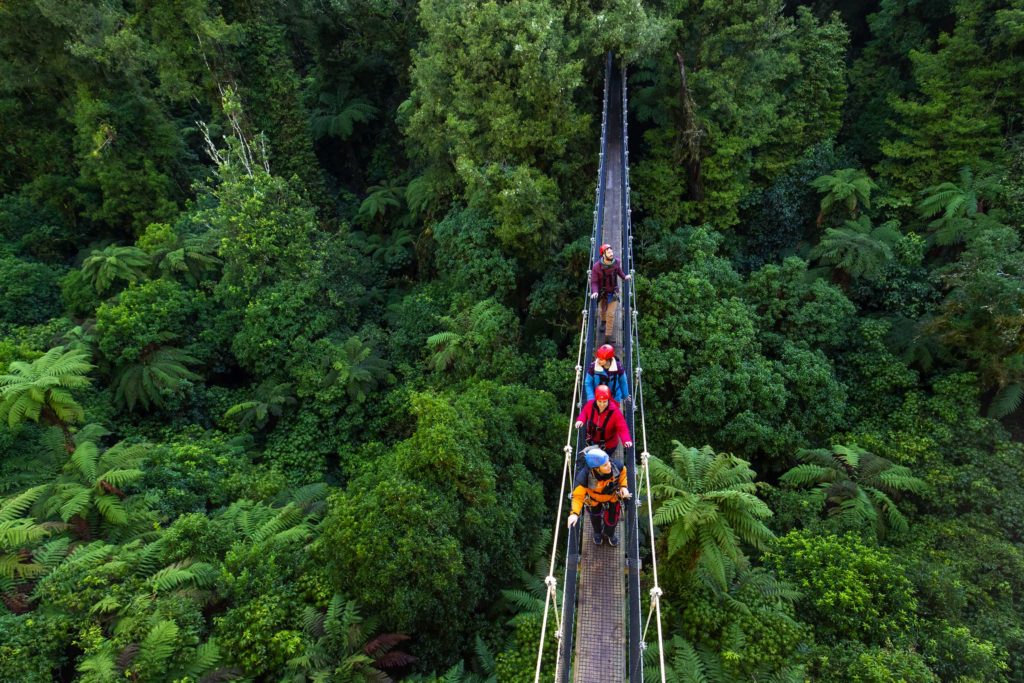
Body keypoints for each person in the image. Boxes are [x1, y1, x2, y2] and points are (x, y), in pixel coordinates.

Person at [567, 447, 631, 545]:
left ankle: (610, 534)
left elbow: (623, 474)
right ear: (596, 468)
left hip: (612, 496)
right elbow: (578, 497)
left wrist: (623, 487)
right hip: (594, 500)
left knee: (612, 519)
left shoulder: (616, 466)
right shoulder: (584, 477)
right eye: (605, 465)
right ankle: (597, 533)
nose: (609, 466)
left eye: (608, 461)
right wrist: (574, 513)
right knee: (595, 517)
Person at [590, 243, 630, 345]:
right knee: (602, 310)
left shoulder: (616, 262)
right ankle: (603, 321)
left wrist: (624, 277)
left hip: (613, 292)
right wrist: (595, 291)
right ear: (603, 254)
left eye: (611, 251)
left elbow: (619, 271)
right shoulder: (597, 267)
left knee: (610, 314)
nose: (611, 253)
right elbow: (594, 282)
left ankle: (607, 336)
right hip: (602, 293)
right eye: (608, 252)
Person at [575, 385, 632, 453]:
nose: (602, 405)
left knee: (601, 459)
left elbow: (622, 427)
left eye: (604, 401)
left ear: (608, 400)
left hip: (608, 445)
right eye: (599, 401)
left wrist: (626, 440)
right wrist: (580, 420)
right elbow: (584, 412)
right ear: (596, 399)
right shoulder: (590, 405)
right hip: (591, 441)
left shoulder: (615, 412)